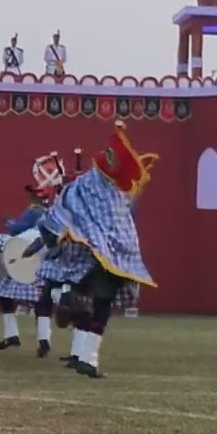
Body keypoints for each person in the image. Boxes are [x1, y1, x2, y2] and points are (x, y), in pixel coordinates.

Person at [27, 122, 158, 378]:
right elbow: (64, 216)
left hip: (95, 257)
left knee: (89, 301)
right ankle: (84, 350)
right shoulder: (97, 190)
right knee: (95, 302)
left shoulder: (91, 189)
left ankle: (85, 355)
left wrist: (40, 242)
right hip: (98, 256)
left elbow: (59, 216)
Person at [0, 180, 59, 357]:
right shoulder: (54, 214)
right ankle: (44, 340)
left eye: (34, 193)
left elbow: (18, 229)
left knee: (4, 295)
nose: (31, 196)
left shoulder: (34, 211)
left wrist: (9, 222)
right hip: (46, 259)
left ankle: (12, 335)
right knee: (43, 301)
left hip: (27, 256)